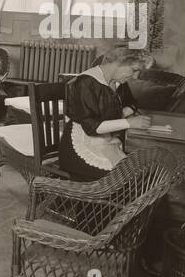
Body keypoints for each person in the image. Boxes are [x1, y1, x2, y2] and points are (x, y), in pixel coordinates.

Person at [57, 48, 156, 181]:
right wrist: (128, 122)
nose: (135, 77)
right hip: (79, 149)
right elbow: (92, 128)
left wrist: (121, 114)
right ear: (118, 63)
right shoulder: (86, 82)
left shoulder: (119, 82)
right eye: (134, 70)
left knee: (146, 177)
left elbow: (132, 103)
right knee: (131, 181)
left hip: (106, 143)